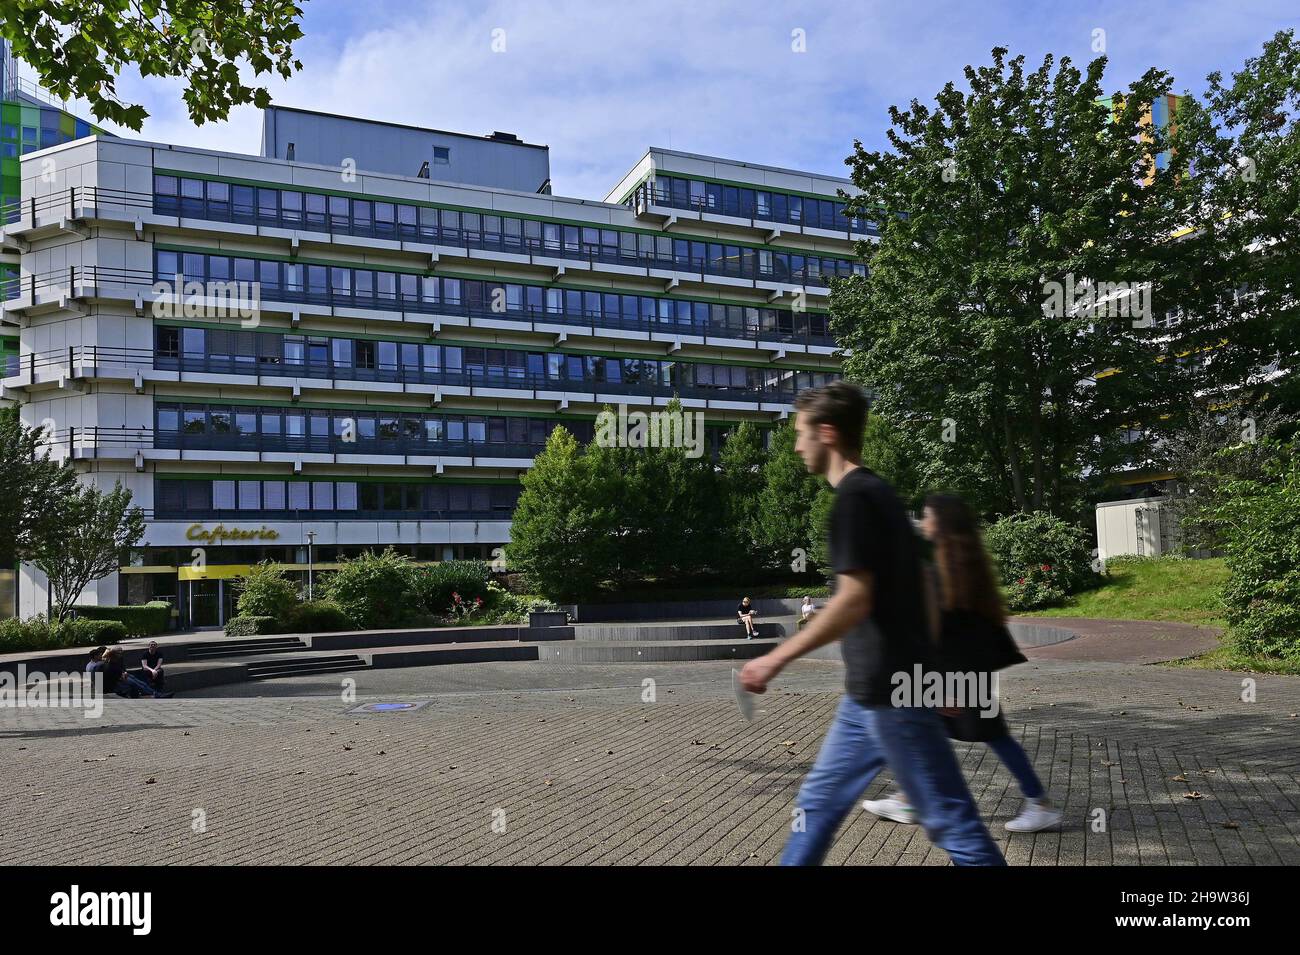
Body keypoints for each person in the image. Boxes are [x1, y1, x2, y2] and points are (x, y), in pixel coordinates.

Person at [739, 382, 1004, 866]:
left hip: (893, 696)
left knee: (951, 821)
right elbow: (923, 583)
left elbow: (855, 600)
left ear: (827, 432)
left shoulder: (854, 501)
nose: (797, 446)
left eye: (801, 434)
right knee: (817, 805)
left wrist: (774, 658)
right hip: (869, 698)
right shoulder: (880, 494)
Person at [863, 494, 1062, 833]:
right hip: (965, 672)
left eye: (926, 517)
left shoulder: (949, 573)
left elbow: (956, 638)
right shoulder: (964, 565)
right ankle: (910, 799)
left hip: (958, 676)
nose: (923, 522)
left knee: (977, 735)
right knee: (925, 731)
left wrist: (951, 691)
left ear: (940, 523)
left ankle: (1038, 803)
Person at [101, 647, 171, 699]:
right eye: (118, 654)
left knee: (136, 680)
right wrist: (124, 675)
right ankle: (156, 694)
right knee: (134, 682)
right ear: (114, 657)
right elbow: (119, 678)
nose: (120, 655)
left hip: (117, 681)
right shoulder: (111, 666)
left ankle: (156, 693)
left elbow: (119, 674)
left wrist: (124, 674)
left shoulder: (111, 663)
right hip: (114, 686)